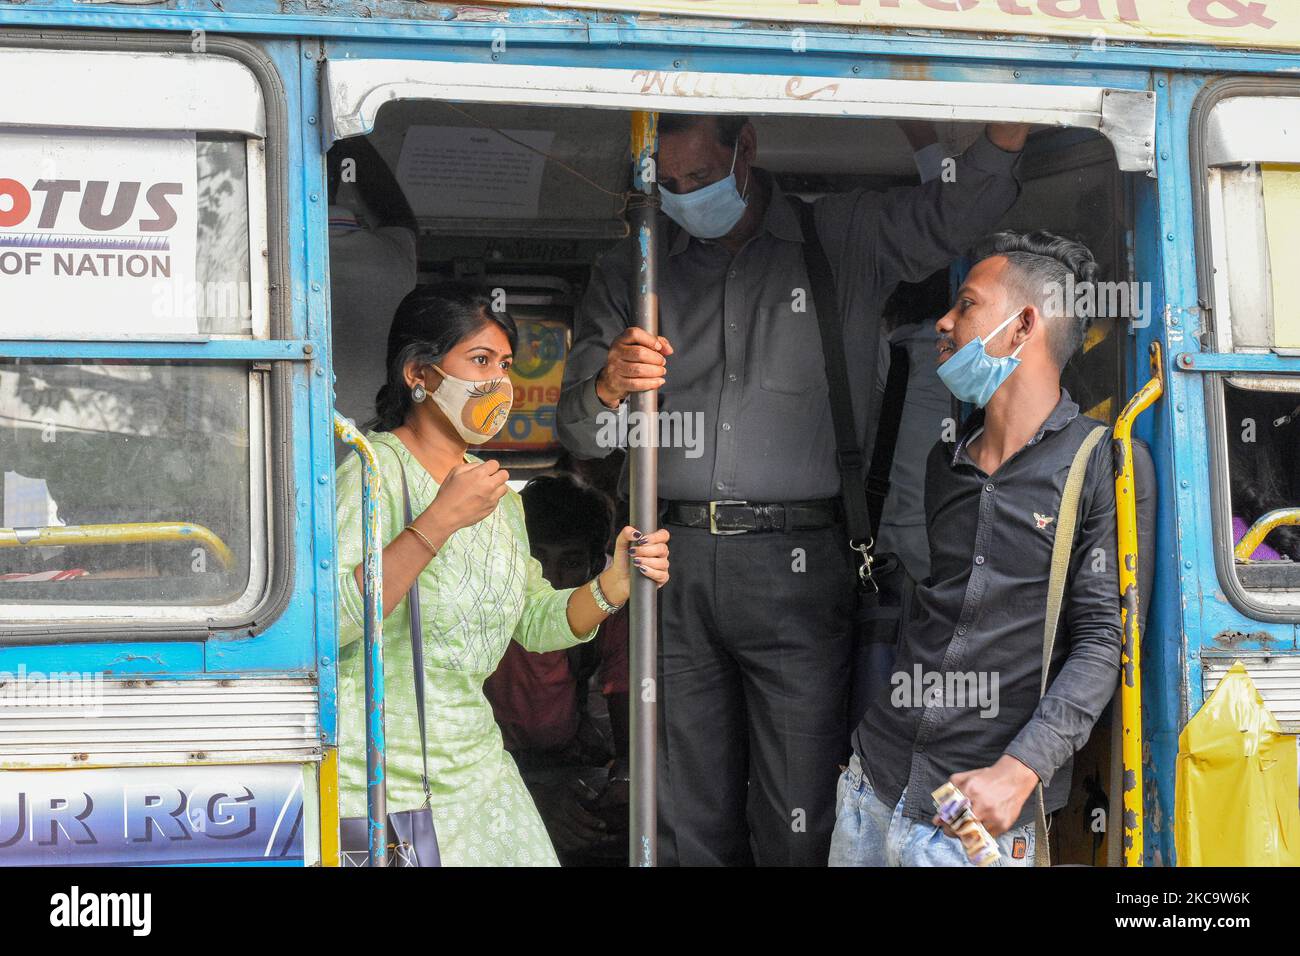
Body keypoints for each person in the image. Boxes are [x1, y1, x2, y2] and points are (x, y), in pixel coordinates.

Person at [556, 113, 1029, 866]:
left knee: (799, 811)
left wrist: (1001, 135)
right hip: (665, 559)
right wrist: (609, 387)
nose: (684, 198)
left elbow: (955, 212)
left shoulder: (842, 237)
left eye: (700, 179)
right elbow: (581, 435)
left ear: (746, 151)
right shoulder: (633, 270)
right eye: (669, 185)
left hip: (801, 562)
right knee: (683, 812)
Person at [831, 230, 1154, 867]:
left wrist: (1021, 770)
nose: (944, 323)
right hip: (874, 784)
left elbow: (1101, 642)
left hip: (975, 815)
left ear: (1022, 324)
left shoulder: (1105, 465)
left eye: (967, 304)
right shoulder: (943, 463)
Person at [333, 283, 670, 866]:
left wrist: (615, 581)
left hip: (478, 770)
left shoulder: (500, 499)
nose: (499, 383)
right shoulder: (370, 471)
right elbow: (330, 619)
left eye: (506, 365)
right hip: (381, 777)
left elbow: (535, 624)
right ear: (421, 372)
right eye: (480, 361)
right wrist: (435, 523)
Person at [483, 473, 631, 863]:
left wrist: (625, 782)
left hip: (571, 765)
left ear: (595, 565)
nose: (550, 578)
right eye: (538, 561)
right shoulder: (484, 612)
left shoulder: (607, 616)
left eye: (570, 562)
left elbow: (627, 706)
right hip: (489, 772)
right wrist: (532, 802)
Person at [328, 136, 418, 462]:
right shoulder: (392, 257)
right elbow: (398, 214)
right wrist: (351, 136)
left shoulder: (251, 254)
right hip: (372, 466)